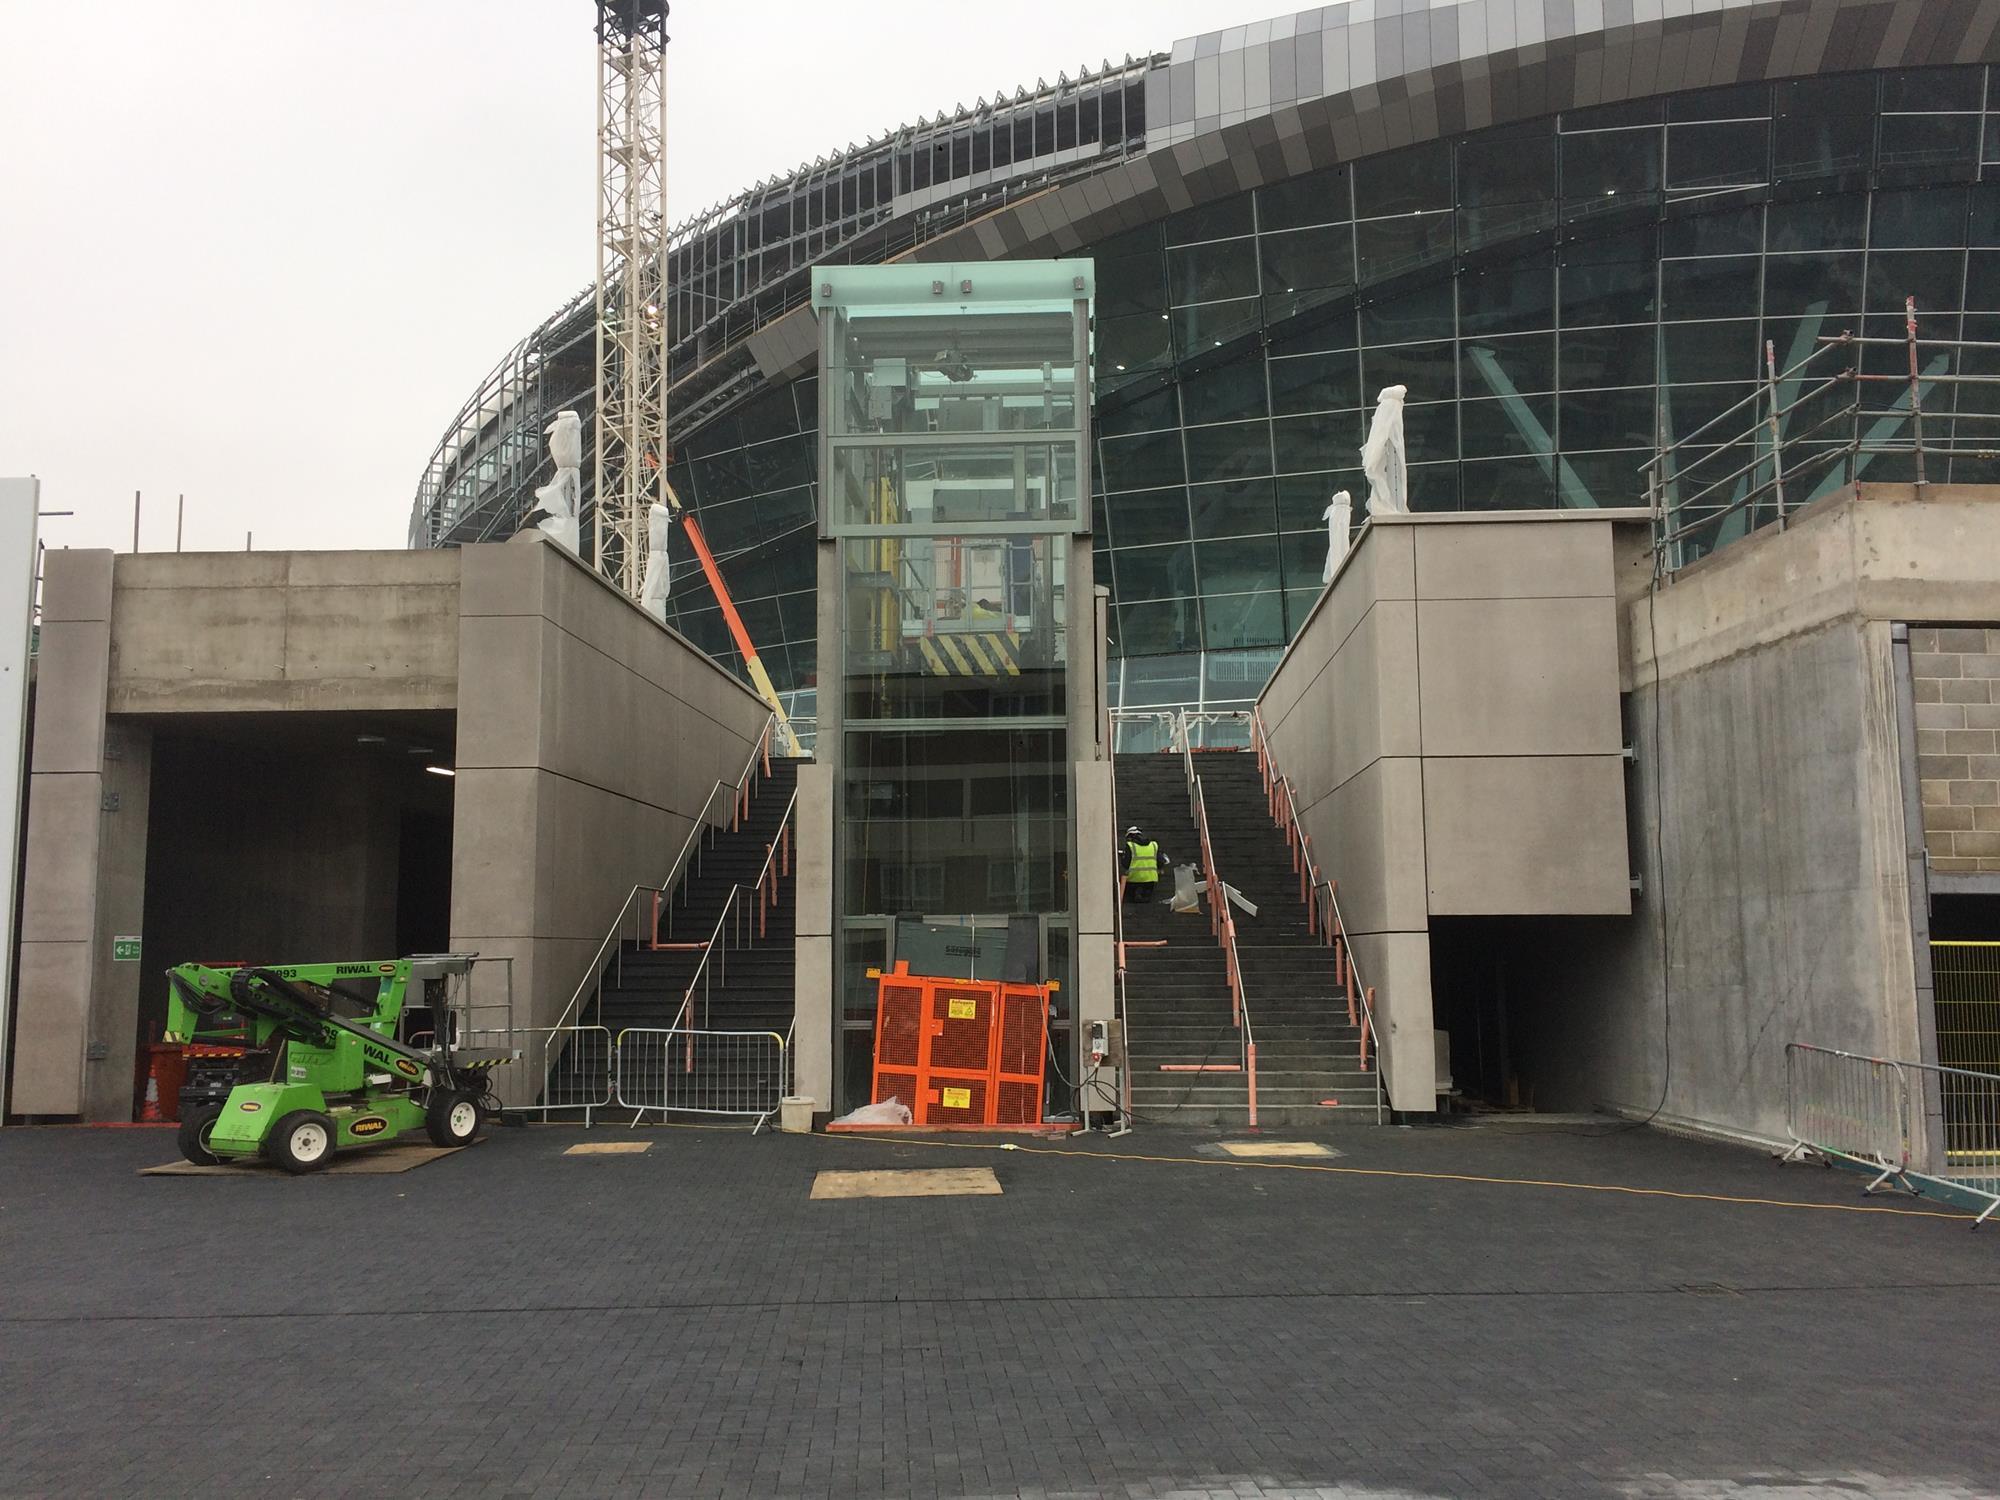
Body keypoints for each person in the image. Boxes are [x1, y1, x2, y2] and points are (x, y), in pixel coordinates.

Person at [1121, 825, 1167, 904]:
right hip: (1151, 879)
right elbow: (1160, 861)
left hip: (1134, 880)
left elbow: (1126, 864)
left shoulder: (1130, 846)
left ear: (1131, 837)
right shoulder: (1153, 845)